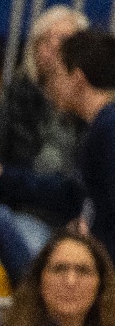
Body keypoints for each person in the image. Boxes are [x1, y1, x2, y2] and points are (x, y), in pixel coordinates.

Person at [0, 5, 89, 259]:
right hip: (14, 211)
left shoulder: (90, 114)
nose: (53, 48)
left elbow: (80, 188)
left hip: (68, 217)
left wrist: (0, 173)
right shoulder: (11, 98)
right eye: (44, 40)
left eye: (64, 41)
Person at [54, 30, 115, 263]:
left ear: (77, 79)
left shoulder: (108, 127)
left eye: (58, 74)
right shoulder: (101, 125)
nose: (53, 84)